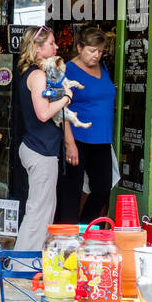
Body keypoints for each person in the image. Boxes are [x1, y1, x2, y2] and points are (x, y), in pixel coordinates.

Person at [13, 26, 73, 253]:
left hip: (37, 147)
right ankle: (24, 261)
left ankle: (30, 259)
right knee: (39, 210)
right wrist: (66, 98)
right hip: (41, 150)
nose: (56, 47)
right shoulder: (37, 76)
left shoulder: (34, 73)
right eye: (51, 44)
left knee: (43, 209)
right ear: (37, 49)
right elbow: (44, 113)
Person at [56, 26, 116, 225]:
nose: (96, 55)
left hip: (102, 139)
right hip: (78, 139)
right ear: (80, 47)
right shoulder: (67, 70)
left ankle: (84, 229)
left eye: (100, 51)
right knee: (71, 191)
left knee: (102, 188)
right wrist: (69, 142)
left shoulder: (104, 68)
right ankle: (67, 239)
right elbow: (61, 108)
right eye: (92, 50)